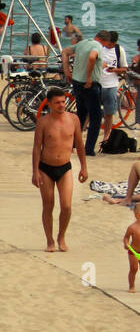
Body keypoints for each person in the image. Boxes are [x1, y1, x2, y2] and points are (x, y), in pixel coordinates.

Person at [31, 86, 88, 252]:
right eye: (57, 103)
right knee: (48, 205)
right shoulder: (43, 122)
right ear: (49, 104)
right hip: (45, 168)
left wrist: (84, 167)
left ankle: (61, 236)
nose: (62, 105)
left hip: (65, 167)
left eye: (63, 101)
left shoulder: (74, 120)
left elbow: (79, 144)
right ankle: (49, 241)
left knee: (67, 206)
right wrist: (35, 171)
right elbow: (36, 148)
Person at [69, 30, 105, 157]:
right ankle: (88, 149)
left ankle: (72, 144)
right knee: (96, 118)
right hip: (89, 85)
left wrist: (67, 71)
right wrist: (89, 77)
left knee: (80, 115)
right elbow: (92, 57)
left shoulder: (82, 43)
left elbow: (65, 52)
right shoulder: (98, 46)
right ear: (104, 41)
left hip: (77, 82)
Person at [99, 30, 125, 135]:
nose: (108, 45)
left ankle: (107, 136)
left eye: (111, 44)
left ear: (115, 42)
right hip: (98, 84)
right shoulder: (100, 48)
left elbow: (124, 68)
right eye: (107, 43)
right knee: (90, 112)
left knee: (109, 113)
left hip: (111, 85)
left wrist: (114, 70)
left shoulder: (119, 50)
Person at [125, 203, 140, 294]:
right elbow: (126, 237)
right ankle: (132, 286)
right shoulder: (132, 227)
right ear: (138, 215)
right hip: (134, 251)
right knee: (134, 268)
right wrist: (126, 243)